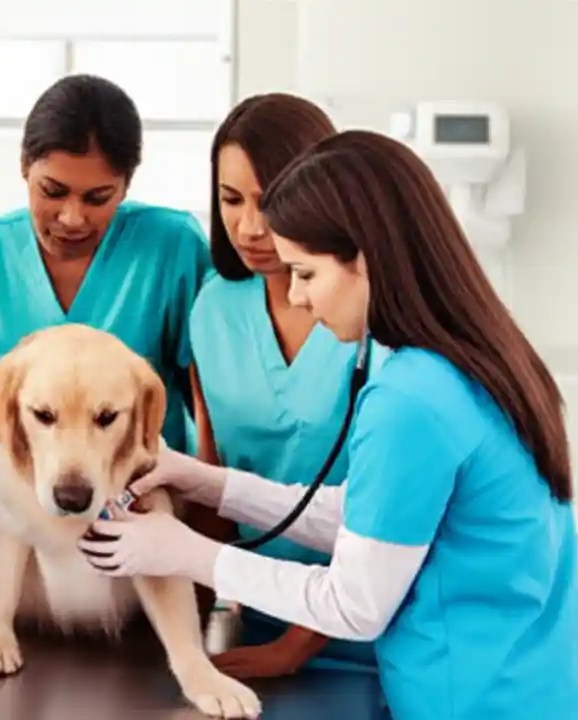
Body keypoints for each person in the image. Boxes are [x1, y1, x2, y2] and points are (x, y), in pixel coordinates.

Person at [79, 130, 578, 719]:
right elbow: (367, 520)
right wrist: (203, 481)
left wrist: (187, 552)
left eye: (305, 273)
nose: (296, 297)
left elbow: (354, 604)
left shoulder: (410, 399)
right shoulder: (475, 363)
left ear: (366, 259)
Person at [187, 93, 377, 679]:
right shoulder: (213, 308)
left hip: (372, 619)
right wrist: (182, 631)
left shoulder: (366, 312)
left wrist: (295, 648)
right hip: (262, 612)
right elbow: (214, 485)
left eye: (269, 202)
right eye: (230, 199)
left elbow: (391, 511)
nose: (249, 227)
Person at [0, 74, 212, 455]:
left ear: (126, 185)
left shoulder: (172, 246)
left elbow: (206, 401)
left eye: (98, 198)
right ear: (24, 166)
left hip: (148, 494)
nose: (72, 218)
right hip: (23, 498)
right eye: (52, 191)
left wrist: (202, 502)